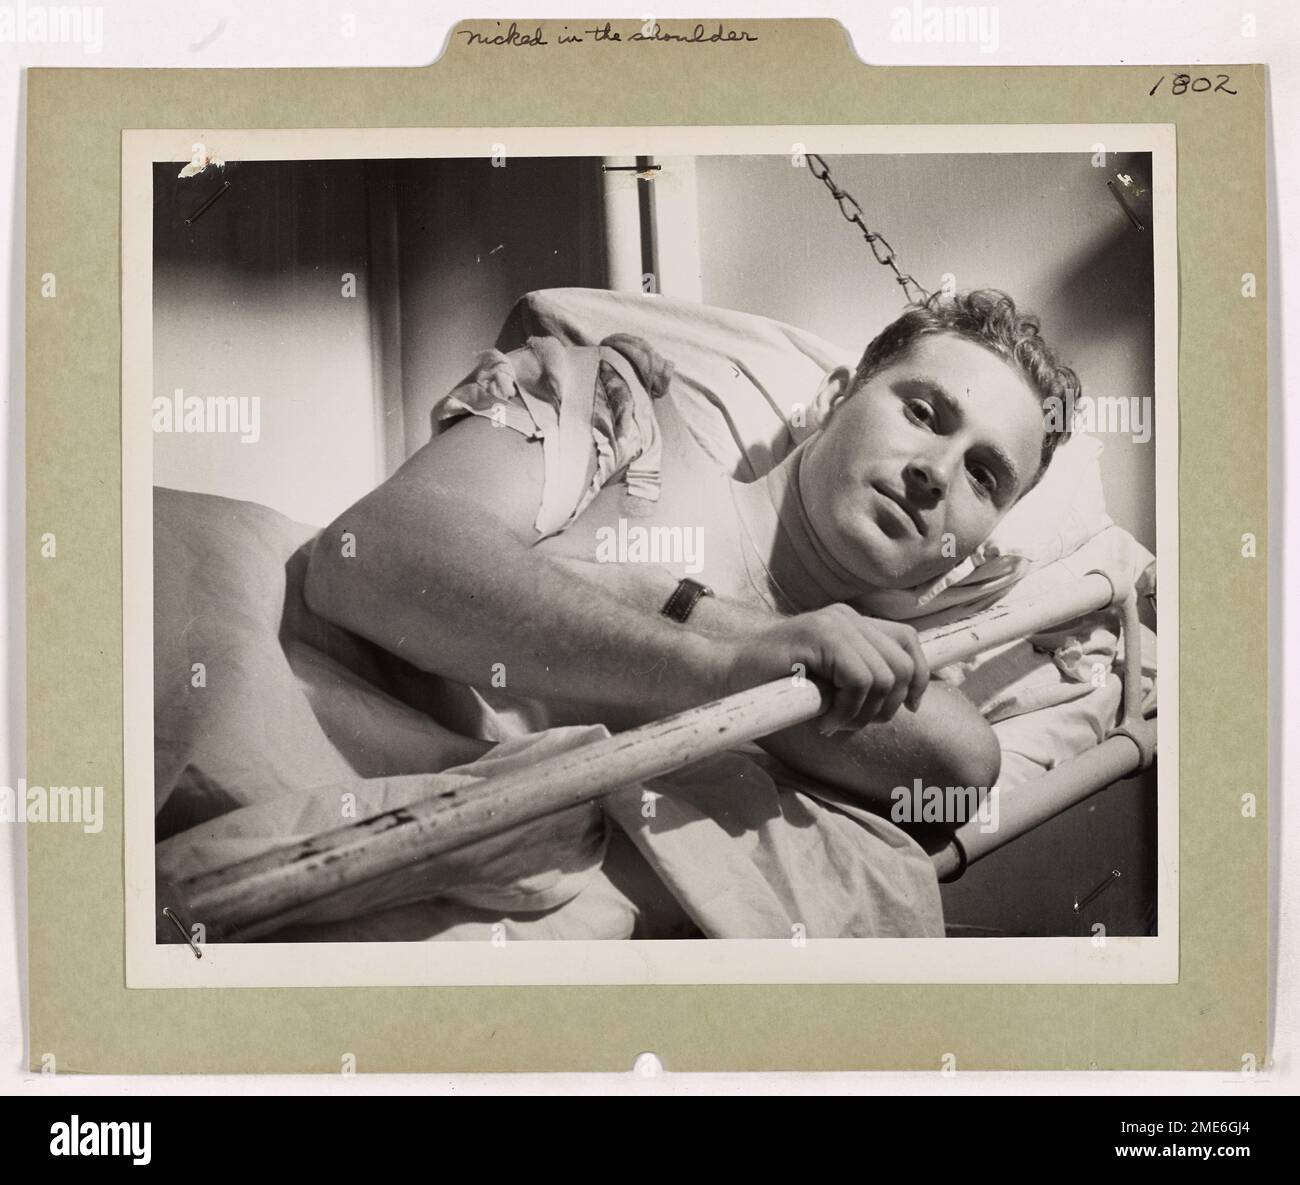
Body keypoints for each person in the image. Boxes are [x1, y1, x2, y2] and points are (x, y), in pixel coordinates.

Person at [303, 290, 1078, 816]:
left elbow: (963, 764)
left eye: (984, 475)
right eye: (922, 411)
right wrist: (718, 666)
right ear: (836, 396)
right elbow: (367, 552)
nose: (935, 473)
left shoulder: (878, 671)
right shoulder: (623, 409)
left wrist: (667, 606)